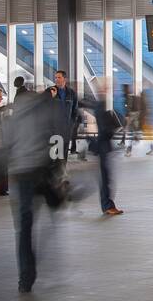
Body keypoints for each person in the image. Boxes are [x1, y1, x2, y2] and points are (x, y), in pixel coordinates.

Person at [8, 80, 67, 293]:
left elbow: (8, 140)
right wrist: (59, 170)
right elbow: (58, 139)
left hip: (20, 172)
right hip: (41, 171)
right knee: (49, 215)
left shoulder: (17, 111)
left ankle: (26, 275)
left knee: (24, 226)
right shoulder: (50, 108)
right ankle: (45, 264)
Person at [85, 79, 124, 217]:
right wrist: (114, 127)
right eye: (107, 87)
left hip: (104, 145)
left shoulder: (102, 104)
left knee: (106, 177)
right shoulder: (101, 105)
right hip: (103, 145)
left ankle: (108, 204)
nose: (109, 89)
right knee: (105, 177)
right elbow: (104, 128)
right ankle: (107, 205)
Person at [50, 70, 79, 159]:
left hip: (66, 127)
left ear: (64, 79)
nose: (57, 79)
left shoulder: (71, 93)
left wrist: (71, 124)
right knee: (53, 151)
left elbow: (75, 110)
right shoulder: (51, 91)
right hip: (53, 126)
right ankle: (54, 170)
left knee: (64, 150)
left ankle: (61, 170)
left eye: (59, 77)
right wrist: (51, 98)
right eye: (55, 77)